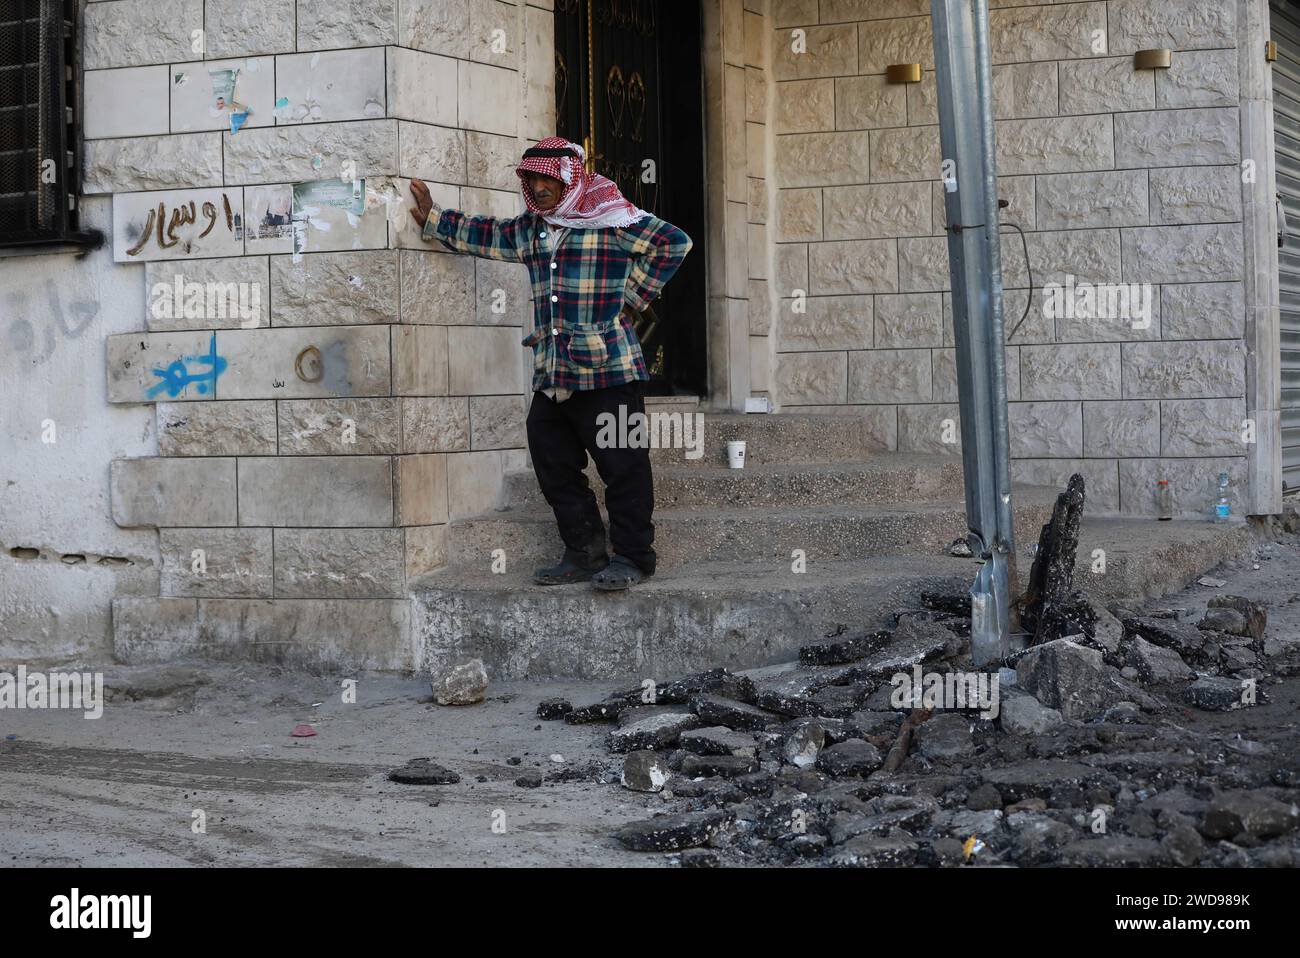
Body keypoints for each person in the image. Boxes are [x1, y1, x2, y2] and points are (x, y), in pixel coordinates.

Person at [408, 137, 692, 590]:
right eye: (532, 178)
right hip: (554, 373)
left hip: (611, 373)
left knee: (623, 467)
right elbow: (491, 235)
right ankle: (584, 551)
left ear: (570, 178)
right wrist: (436, 219)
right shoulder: (534, 228)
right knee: (552, 464)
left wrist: (630, 300)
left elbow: (674, 244)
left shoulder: (613, 219)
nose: (539, 187)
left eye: (547, 178)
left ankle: (636, 558)